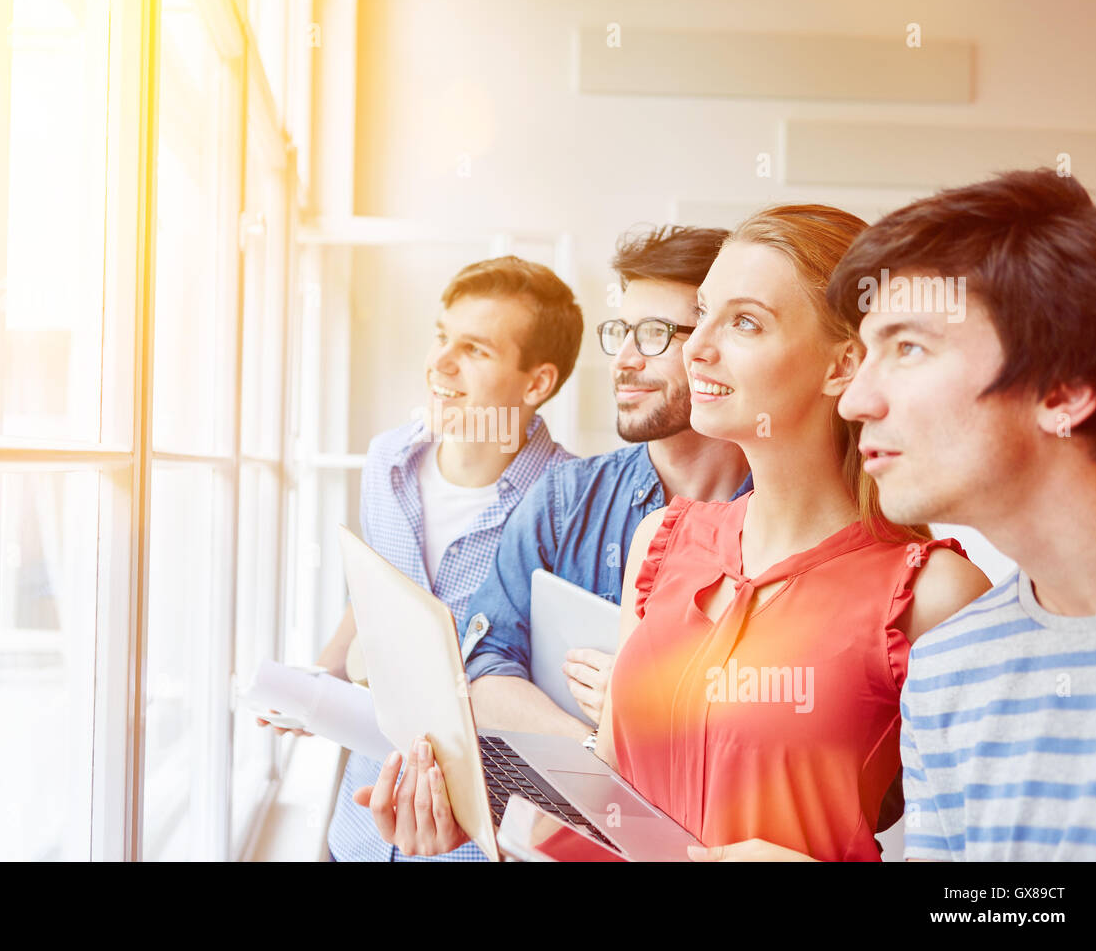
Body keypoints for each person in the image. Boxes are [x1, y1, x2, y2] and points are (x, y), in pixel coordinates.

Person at [357, 205, 991, 861]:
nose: (697, 348)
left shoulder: (933, 593)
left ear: (842, 366)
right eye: (704, 314)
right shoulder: (661, 543)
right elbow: (616, 802)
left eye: (743, 322)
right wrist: (476, 816)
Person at [259, 255, 583, 862]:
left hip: (473, 843)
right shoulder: (388, 463)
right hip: (356, 829)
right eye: (441, 337)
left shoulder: (573, 507)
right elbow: (373, 596)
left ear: (536, 383)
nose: (439, 363)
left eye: (475, 349)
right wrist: (320, 684)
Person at [832, 169, 1096, 861]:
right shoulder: (949, 669)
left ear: (1065, 387)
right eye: (867, 353)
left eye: (909, 348)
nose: (854, 401)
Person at [461, 225, 751, 743]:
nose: (624, 361)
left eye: (655, 334)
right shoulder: (562, 500)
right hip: (570, 816)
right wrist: (603, 752)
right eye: (621, 332)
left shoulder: (787, 522)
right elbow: (485, 668)